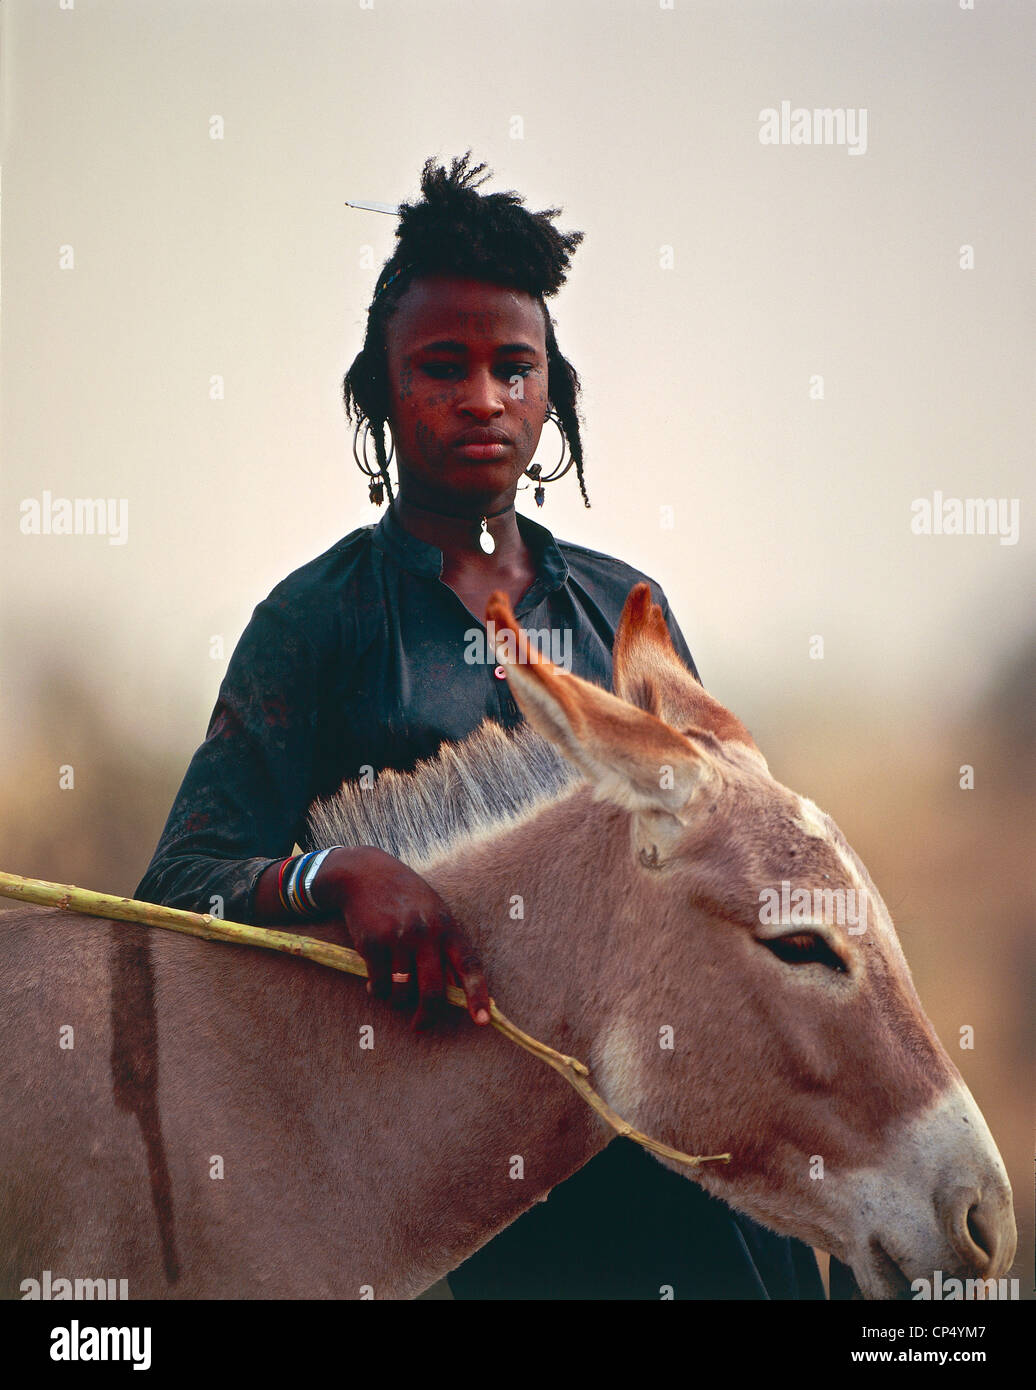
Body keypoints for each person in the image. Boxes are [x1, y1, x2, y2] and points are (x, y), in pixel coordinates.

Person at [135, 151, 824, 1301]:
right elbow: (177, 885)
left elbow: (728, 865)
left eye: (516, 368)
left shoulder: (622, 609)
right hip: (441, 1196)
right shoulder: (317, 621)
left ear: (553, 390)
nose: (484, 399)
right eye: (441, 368)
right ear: (379, 394)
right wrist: (332, 875)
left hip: (656, 1160)